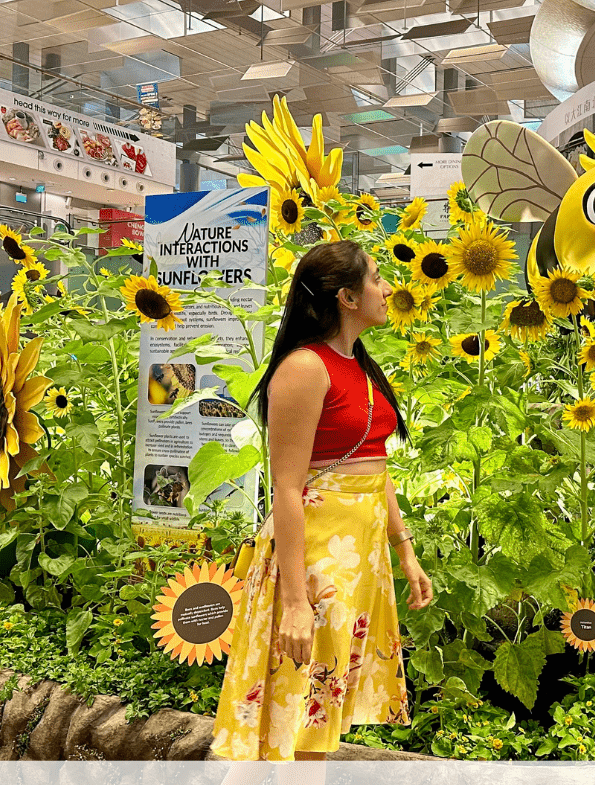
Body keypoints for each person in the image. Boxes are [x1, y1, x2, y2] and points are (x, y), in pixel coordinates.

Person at [211, 241, 434, 766]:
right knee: (296, 714)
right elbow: (287, 486)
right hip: (315, 560)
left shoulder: (360, 365)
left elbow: (375, 468)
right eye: (377, 279)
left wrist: (404, 551)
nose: (387, 290)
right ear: (347, 297)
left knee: (321, 711)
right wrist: (293, 601)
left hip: (359, 557)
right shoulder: (306, 368)